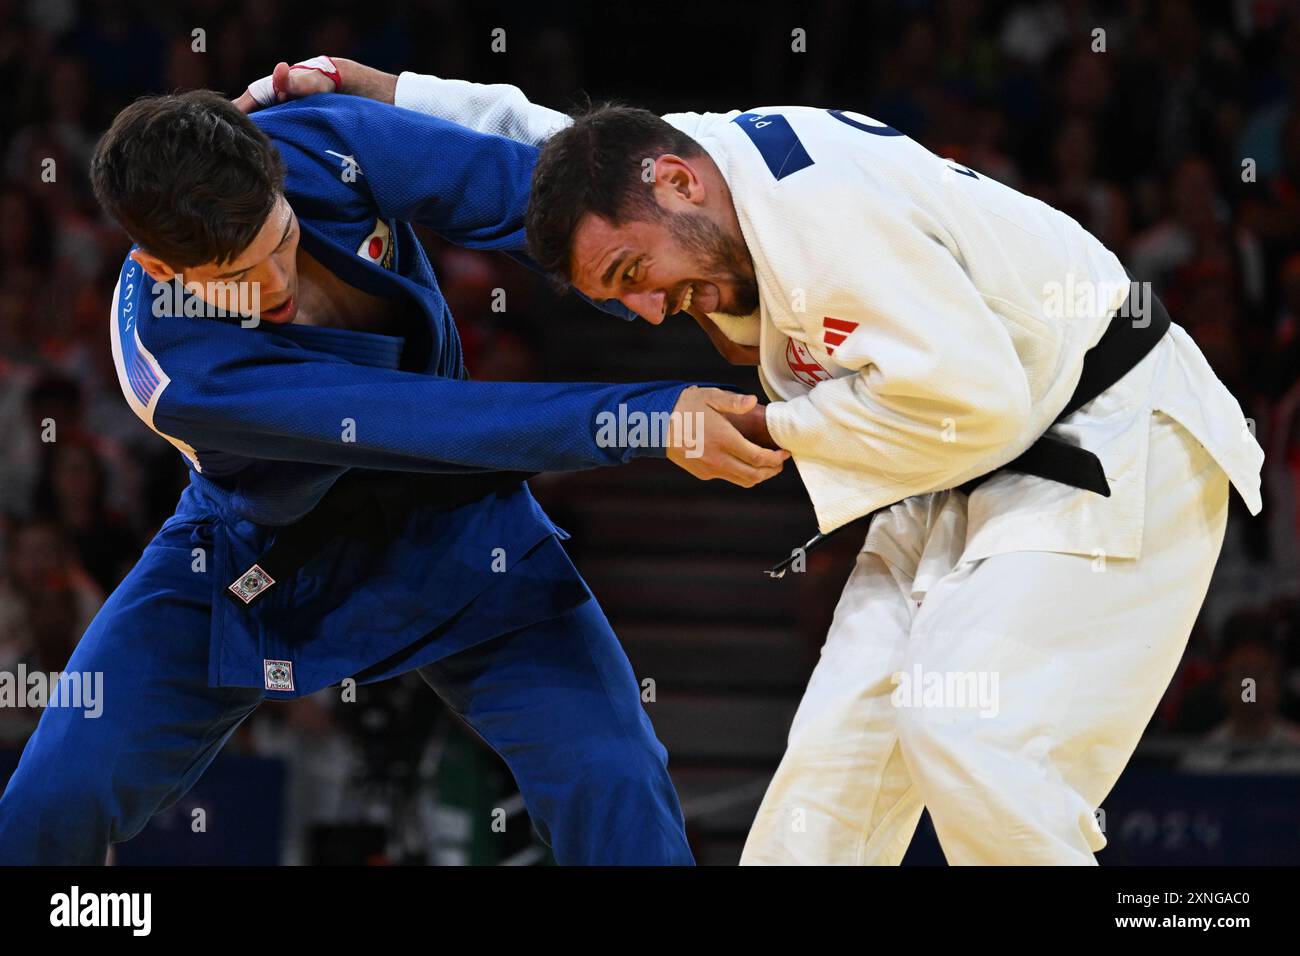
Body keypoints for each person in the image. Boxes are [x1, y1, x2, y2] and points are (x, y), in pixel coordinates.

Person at [270, 57, 1267, 864]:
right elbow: (547, 142)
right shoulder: (700, 163)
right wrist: (385, 91)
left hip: (1108, 437)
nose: (650, 309)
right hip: (968, 474)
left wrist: (765, 428)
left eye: (634, 274)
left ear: (675, 185)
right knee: (812, 822)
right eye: (619, 297)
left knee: (969, 735)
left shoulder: (822, 219)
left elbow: (981, 400)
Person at [0, 82, 790, 866]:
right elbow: (426, 421)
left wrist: (706, 291)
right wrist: (651, 416)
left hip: (459, 530)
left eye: (281, 239)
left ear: (273, 167)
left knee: (614, 776)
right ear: (160, 269)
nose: (275, 287)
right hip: (256, 566)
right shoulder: (177, 368)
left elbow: (551, 205)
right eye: (234, 278)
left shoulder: (323, 137)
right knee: (49, 802)